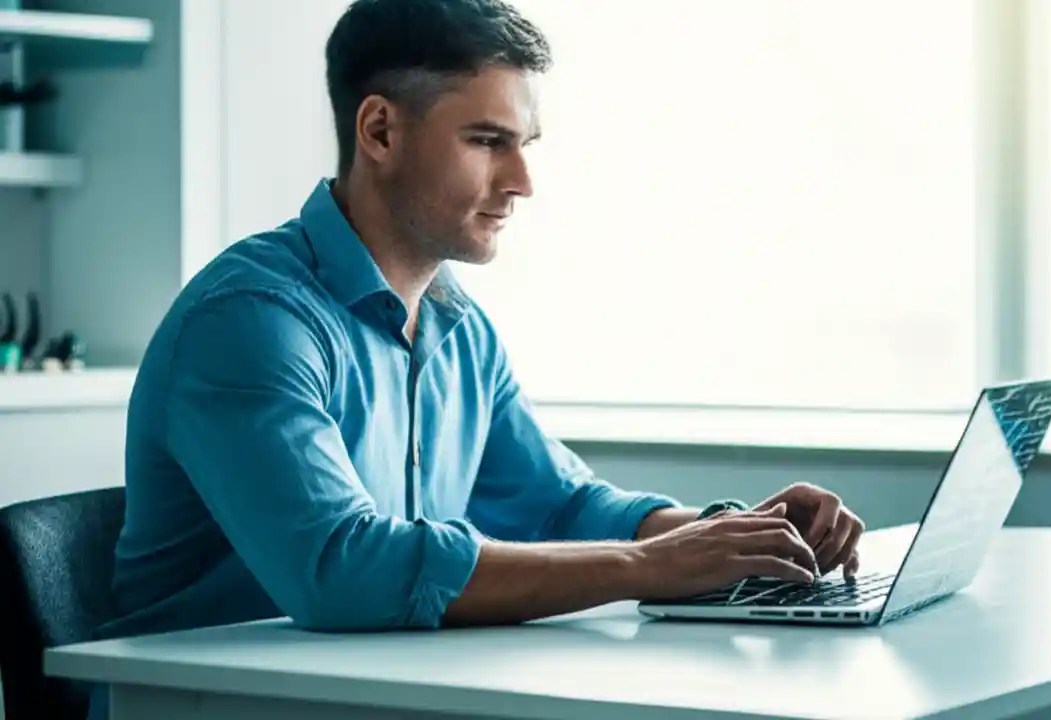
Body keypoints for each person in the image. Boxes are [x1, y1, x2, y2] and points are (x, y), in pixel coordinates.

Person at [101, 0, 866, 648]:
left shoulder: (457, 328)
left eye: (523, 146)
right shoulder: (250, 321)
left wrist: (734, 537)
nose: (523, 183)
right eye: (487, 141)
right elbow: (339, 568)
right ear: (379, 132)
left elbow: (559, 506)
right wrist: (652, 567)